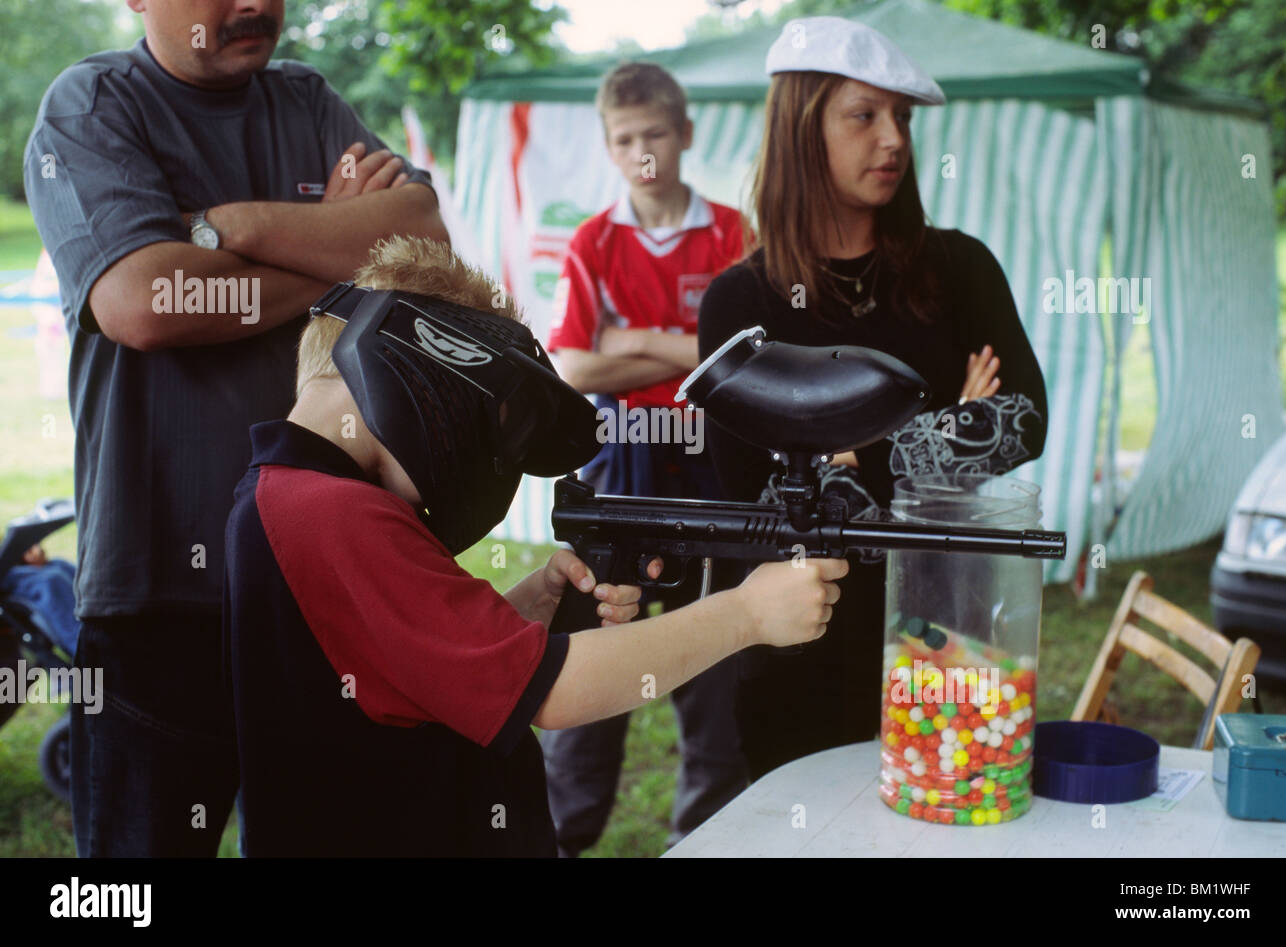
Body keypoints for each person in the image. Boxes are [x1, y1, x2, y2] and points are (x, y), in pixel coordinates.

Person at [223, 235, 849, 856]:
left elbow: (397, 677)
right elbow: (553, 693)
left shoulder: (287, 498)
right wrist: (746, 614)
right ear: (412, 360)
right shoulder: (330, 510)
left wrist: (520, 614)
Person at [22, 0, 446, 856]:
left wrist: (227, 228)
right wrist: (336, 252)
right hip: (156, 589)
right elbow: (148, 301)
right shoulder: (93, 105)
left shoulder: (310, 100)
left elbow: (425, 240)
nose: (254, 3)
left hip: (324, 580)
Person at [697, 17, 1050, 780]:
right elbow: (765, 500)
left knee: (948, 811)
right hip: (800, 653)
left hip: (948, 629)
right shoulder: (740, 303)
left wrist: (859, 454)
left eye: (903, 118)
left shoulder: (959, 269)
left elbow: (1024, 420)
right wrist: (946, 434)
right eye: (864, 116)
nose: (893, 139)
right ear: (800, 130)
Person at [542, 61, 752, 855]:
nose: (643, 151)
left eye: (655, 132)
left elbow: (746, 358)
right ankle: (564, 834)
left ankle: (703, 836)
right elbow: (573, 366)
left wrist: (631, 340)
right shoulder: (594, 240)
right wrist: (688, 355)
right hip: (623, 464)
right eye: (625, 138)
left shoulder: (735, 232)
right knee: (599, 653)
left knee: (712, 663)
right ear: (608, 144)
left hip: (713, 467)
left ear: (685, 133)